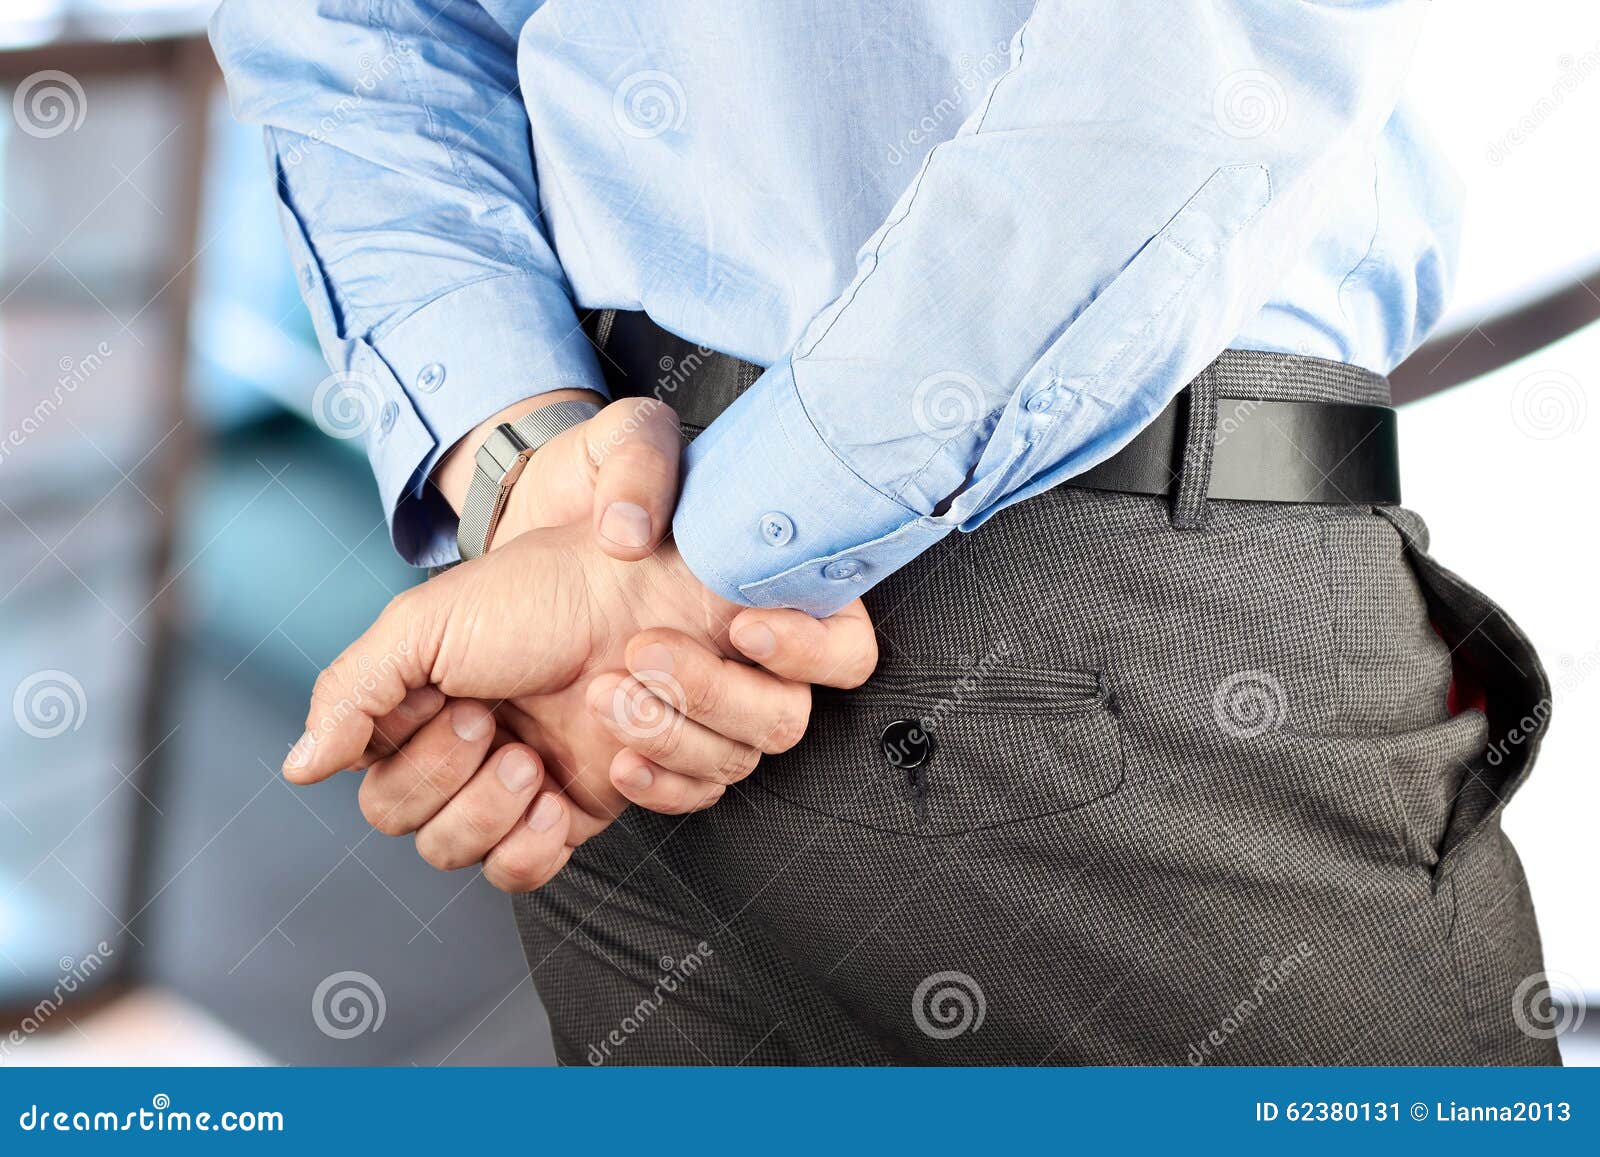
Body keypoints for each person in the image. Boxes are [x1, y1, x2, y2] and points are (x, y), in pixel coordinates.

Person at [211, 1, 1559, 1065]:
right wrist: (684, 573)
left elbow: (346, 29)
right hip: (1106, 656)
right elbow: (1198, 58)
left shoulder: (597, 590)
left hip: (594, 638)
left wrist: (539, 482)